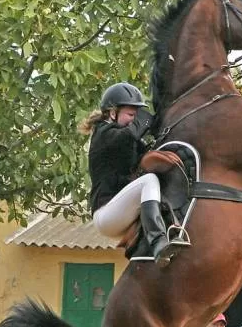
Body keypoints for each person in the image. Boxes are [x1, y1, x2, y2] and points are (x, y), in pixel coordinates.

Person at [78, 81, 190, 263]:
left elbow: (145, 147)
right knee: (149, 180)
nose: (134, 118)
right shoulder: (103, 133)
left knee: (157, 182)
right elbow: (130, 134)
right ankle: (158, 241)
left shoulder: (125, 138)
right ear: (113, 113)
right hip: (106, 214)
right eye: (131, 114)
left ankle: (171, 232)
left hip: (121, 211)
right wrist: (147, 119)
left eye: (135, 115)